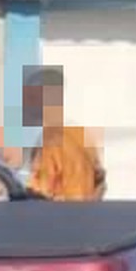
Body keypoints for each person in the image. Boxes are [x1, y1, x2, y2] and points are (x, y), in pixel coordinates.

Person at [23, 67, 106, 201]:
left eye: (31, 98)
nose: (26, 105)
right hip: (85, 214)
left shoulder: (51, 139)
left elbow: (40, 191)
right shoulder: (81, 133)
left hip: (60, 217)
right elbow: (100, 181)